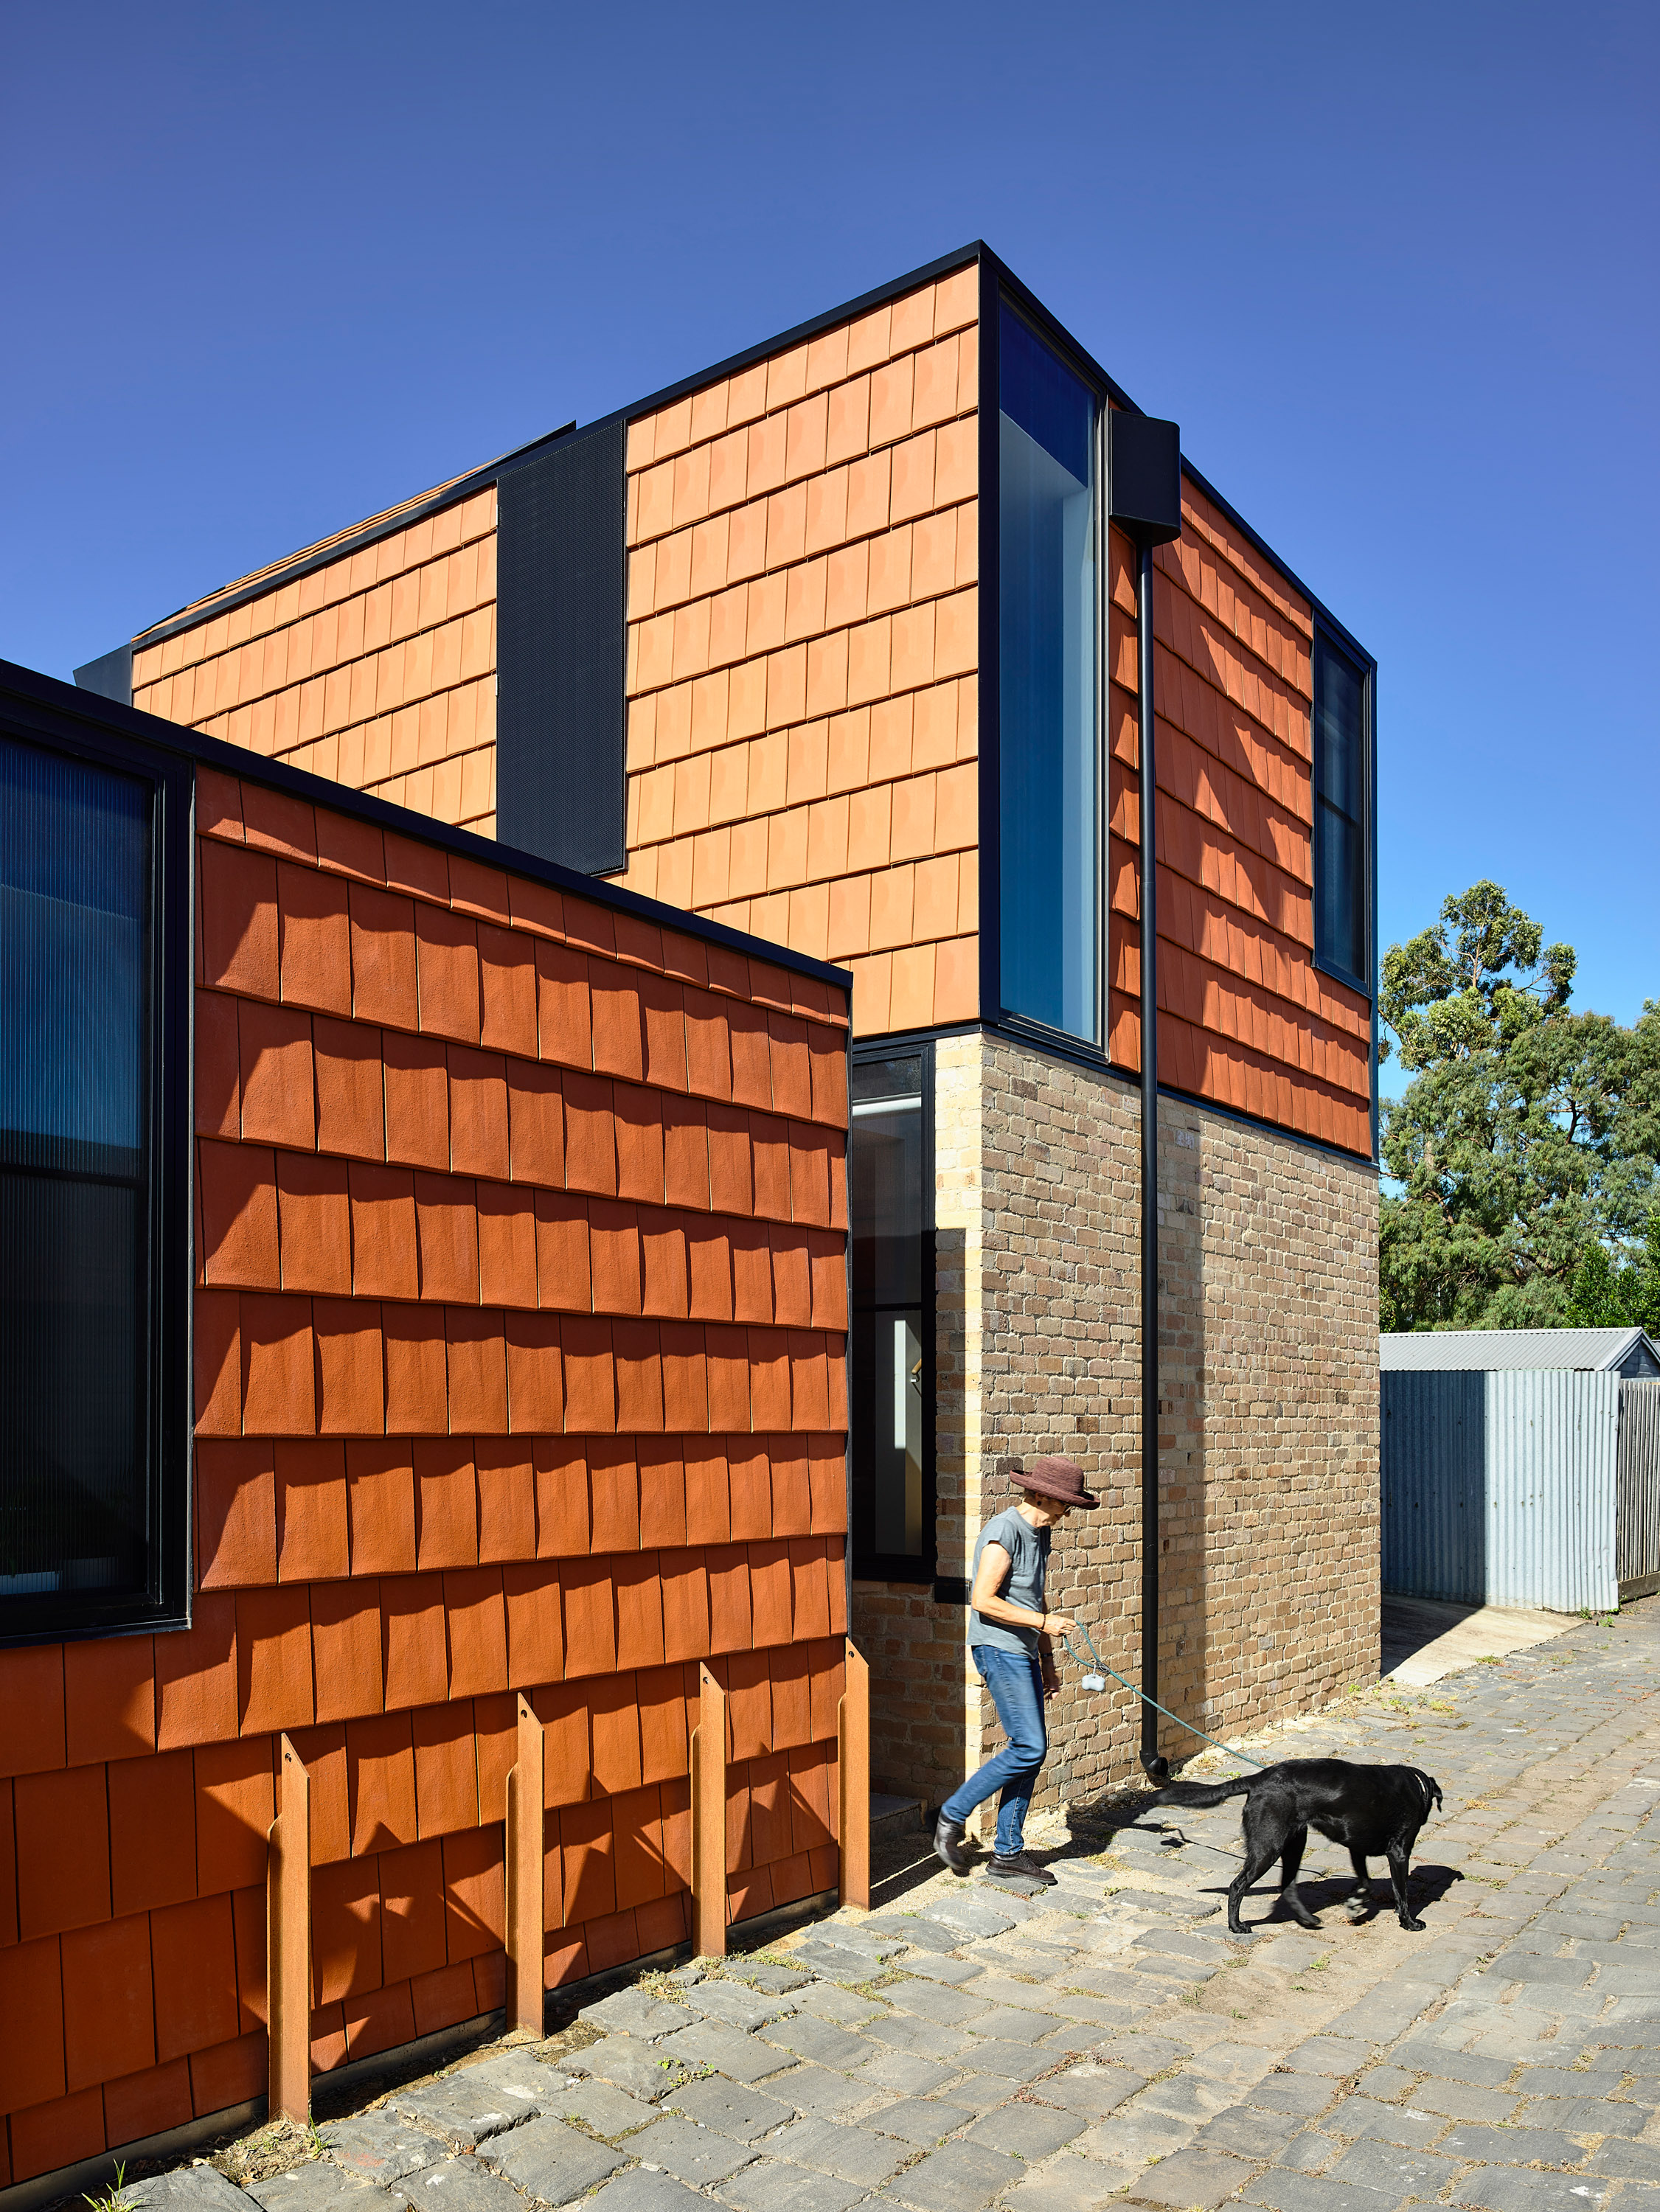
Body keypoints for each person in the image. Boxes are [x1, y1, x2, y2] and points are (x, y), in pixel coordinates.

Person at [934, 1453, 1098, 1885]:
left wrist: (1047, 1660)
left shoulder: (1040, 1533)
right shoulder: (1004, 1530)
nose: (1067, 1513)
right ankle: (953, 1813)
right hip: (997, 1648)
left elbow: (1033, 1597)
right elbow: (983, 1600)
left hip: (1022, 1651)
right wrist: (1044, 1624)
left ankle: (1007, 1855)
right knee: (1028, 1747)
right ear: (1040, 1495)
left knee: (1031, 1751)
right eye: (1064, 1504)